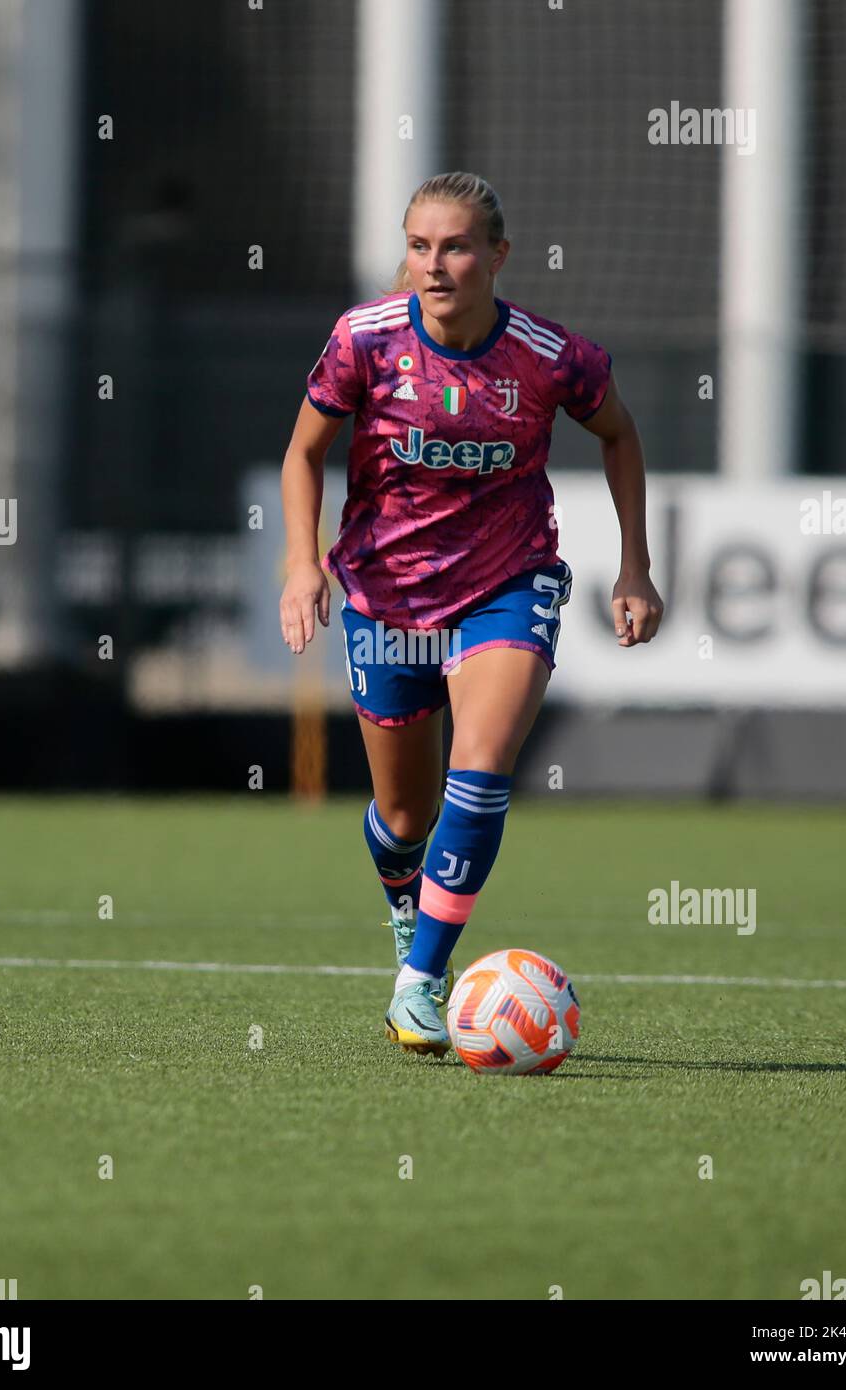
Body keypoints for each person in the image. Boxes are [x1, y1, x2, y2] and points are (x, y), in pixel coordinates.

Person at [279, 171, 663, 1058]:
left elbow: (618, 435)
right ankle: (409, 905)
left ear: (497, 254)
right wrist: (303, 564)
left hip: (507, 583)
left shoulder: (549, 355)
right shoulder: (364, 340)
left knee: (481, 769)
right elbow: (305, 452)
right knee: (403, 817)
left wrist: (634, 569)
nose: (434, 264)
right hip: (387, 594)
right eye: (418, 246)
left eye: (454, 246)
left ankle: (420, 979)